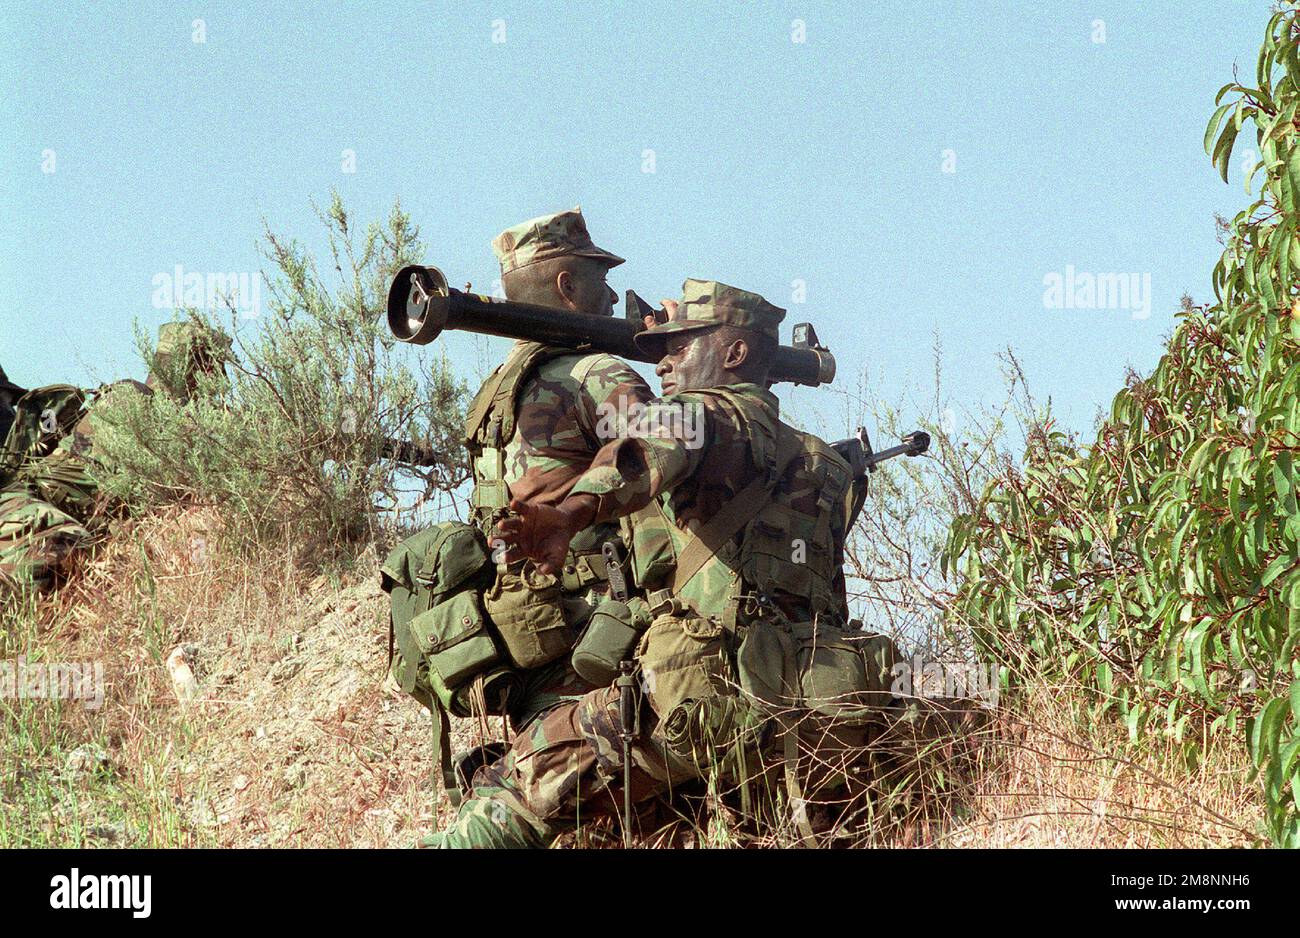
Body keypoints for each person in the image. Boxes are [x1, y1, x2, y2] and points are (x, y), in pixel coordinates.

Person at [421, 279, 883, 848]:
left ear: (734, 354)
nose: (662, 361)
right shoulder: (828, 467)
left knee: (514, 787)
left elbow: (644, 450)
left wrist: (570, 514)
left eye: (682, 345)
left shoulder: (700, 414)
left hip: (702, 700)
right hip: (813, 712)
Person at [383, 208, 657, 795]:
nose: (612, 296)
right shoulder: (596, 374)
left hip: (523, 630)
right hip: (595, 634)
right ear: (567, 287)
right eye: (599, 278)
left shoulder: (500, 389)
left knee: (545, 792)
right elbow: (660, 458)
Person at [0, 321, 230, 593]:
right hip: (75, 481)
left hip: (73, 469)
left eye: (6, 406)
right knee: (137, 402)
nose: (8, 413)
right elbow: (58, 553)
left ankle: (193, 353)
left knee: (132, 399)